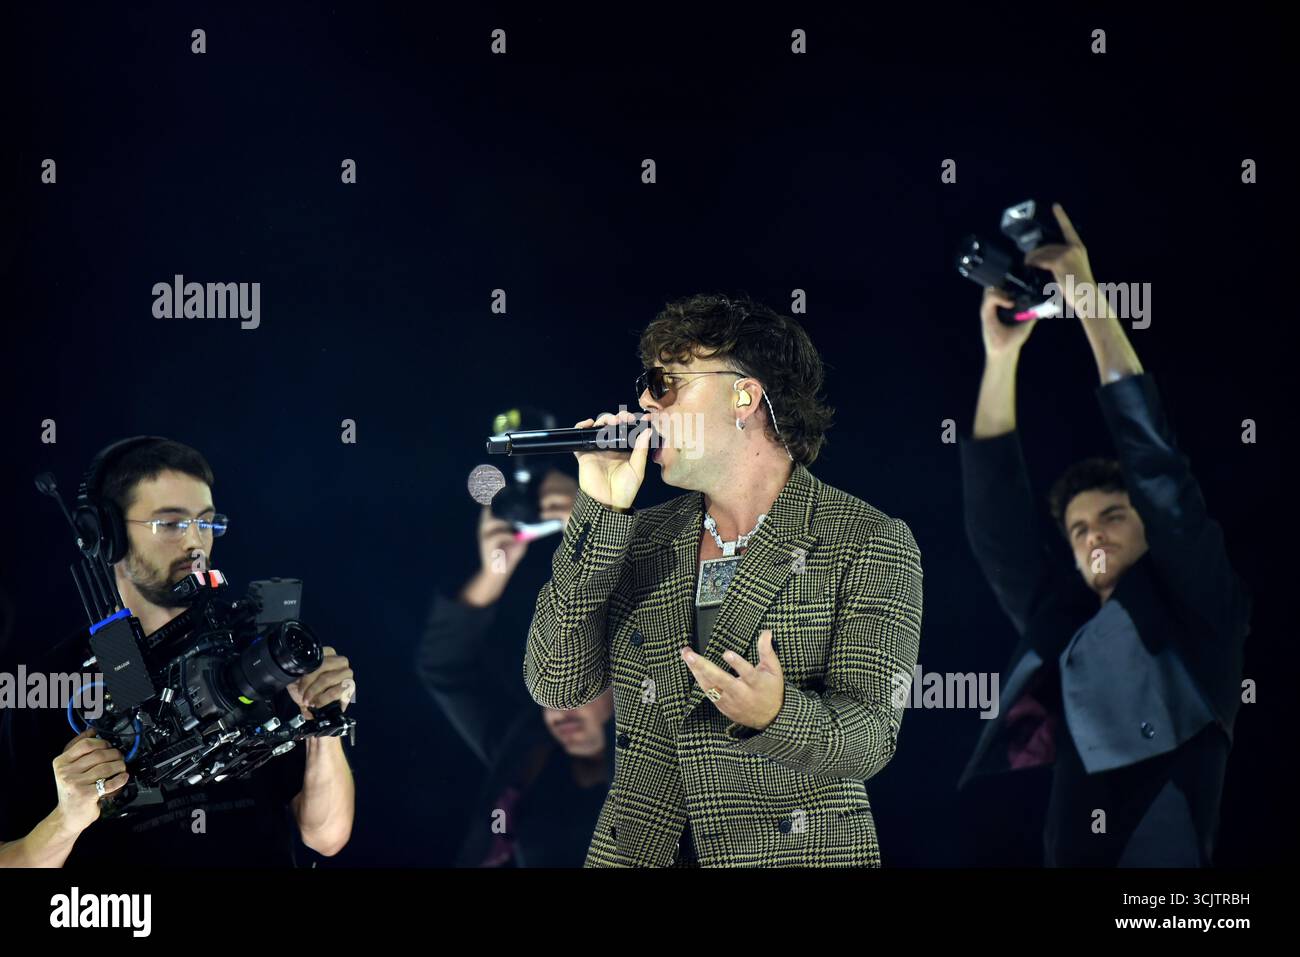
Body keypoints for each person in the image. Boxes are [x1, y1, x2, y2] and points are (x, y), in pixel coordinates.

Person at [525, 293, 924, 867]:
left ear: (745, 395)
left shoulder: (864, 540)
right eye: (648, 381)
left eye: (667, 382)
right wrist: (601, 512)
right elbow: (554, 685)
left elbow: (870, 735)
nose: (644, 400)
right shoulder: (640, 537)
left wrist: (776, 714)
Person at [956, 204, 1251, 866]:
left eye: (1115, 516)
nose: (1094, 534)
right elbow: (996, 525)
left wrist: (1085, 294)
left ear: (1148, 527)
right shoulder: (1061, 623)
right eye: (1079, 527)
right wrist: (999, 360)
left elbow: (1154, 460)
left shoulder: (1203, 610)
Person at [0, 437, 356, 867]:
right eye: (170, 524)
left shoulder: (259, 650)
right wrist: (66, 820)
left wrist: (322, 727)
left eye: (206, 524)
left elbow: (325, 836)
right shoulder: (52, 686)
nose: (195, 544)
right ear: (104, 534)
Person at [418, 464, 617, 867]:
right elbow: (445, 667)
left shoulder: (673, 746)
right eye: (547, 681)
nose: (560, 706)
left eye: (579, 680)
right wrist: (494, 571)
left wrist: (599, 525)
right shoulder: (527, 746)